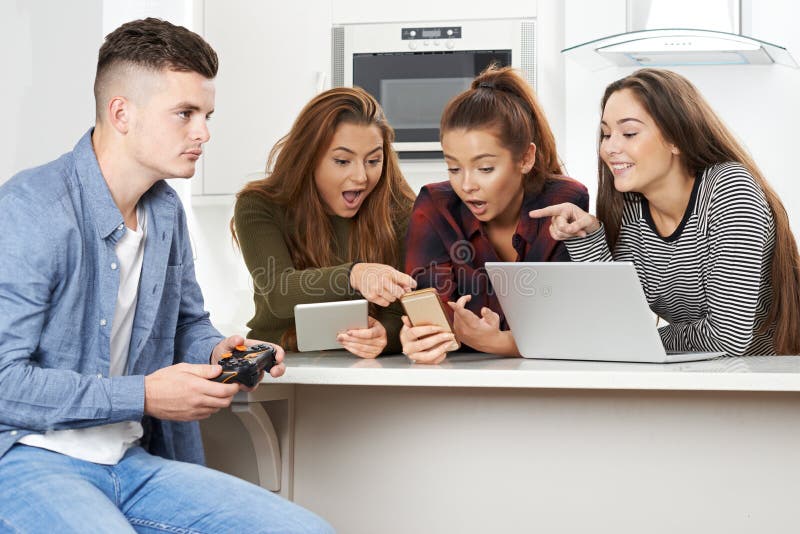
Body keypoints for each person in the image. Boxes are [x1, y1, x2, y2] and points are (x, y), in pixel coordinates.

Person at [0, 18, 332, 533]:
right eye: (185, 113)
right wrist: (146, 396)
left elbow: (187, 324)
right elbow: (3, 382)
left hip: (131, 461)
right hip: (27, 461)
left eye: (206, 114)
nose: (203, 132)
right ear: (121, 113)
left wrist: (217, 350)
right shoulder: (32, 208)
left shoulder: (165, 211)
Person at [530, 68, 800, 356]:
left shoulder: (729, 189)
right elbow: (616, 323)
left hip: (773, 379)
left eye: (629, 132)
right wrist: (587, 237)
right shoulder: (632, 209)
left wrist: (643, 341)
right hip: (702, 377)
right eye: (606, 134)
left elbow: (728, 337)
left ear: (676, 139)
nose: (610, 147)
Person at [401, 65, 589, 363]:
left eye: (485, 168)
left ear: (526, 158)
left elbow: (571, 329)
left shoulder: (563, 201)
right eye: (453, 168)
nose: (466, 185)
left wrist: (501, 343)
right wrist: (420, 339)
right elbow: (432, 319)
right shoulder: (435, 206)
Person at [232, 87, 417, 358]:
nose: (361, 177)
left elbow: (400, 312)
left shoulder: (399, 210)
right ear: (309, 158)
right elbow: (278, 292)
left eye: (373, 160)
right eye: (342, 161)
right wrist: (354, 274)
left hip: (364, 370)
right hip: (282, 363)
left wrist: (384, 337)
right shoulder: (259, 205)